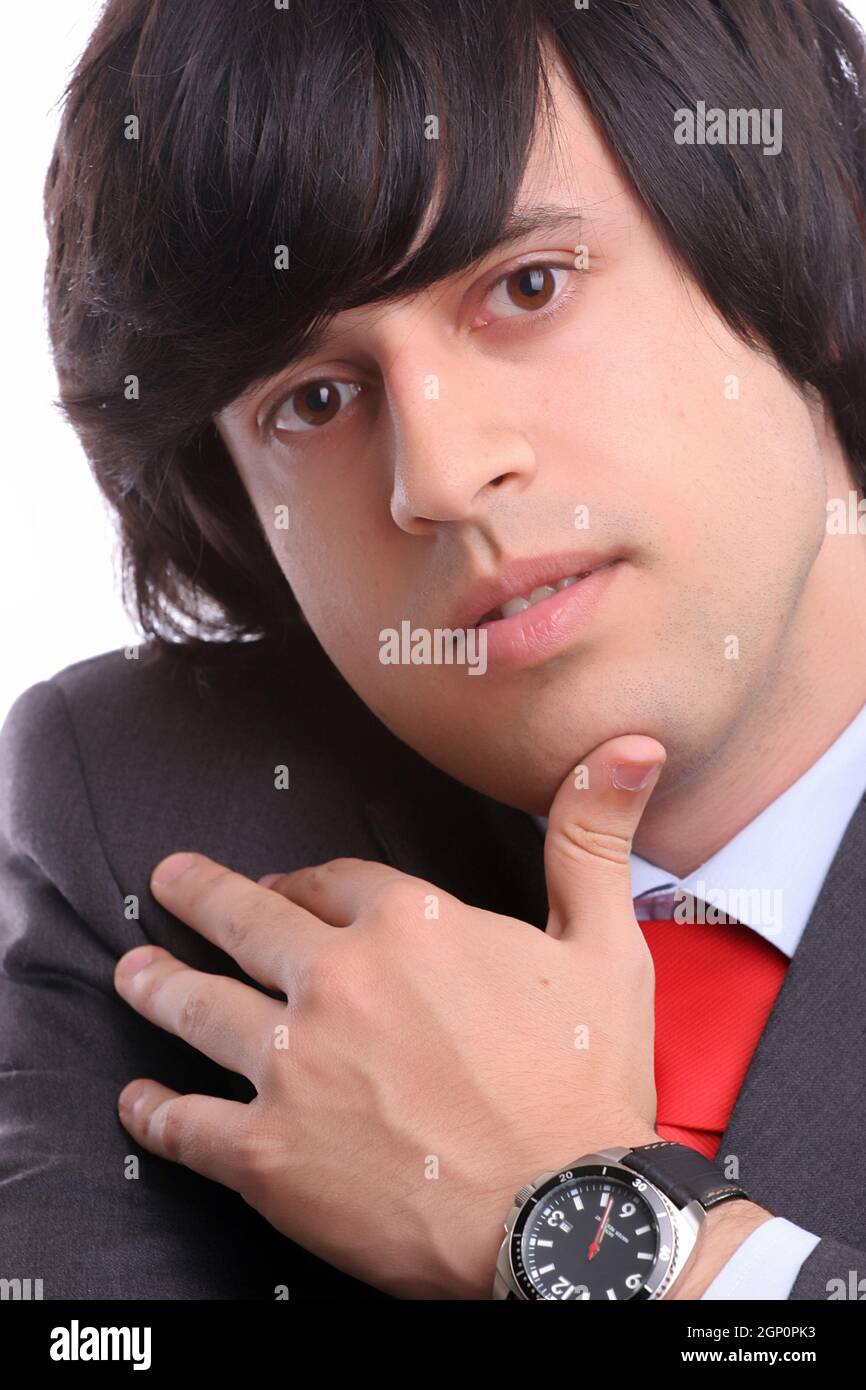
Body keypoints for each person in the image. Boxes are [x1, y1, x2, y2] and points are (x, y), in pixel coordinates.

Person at [2, 0, 865, 1301]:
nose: (444, 476)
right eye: (316, 399)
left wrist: (592, 1223)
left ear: (812, 237)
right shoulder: (150, 828)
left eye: (526, 287)